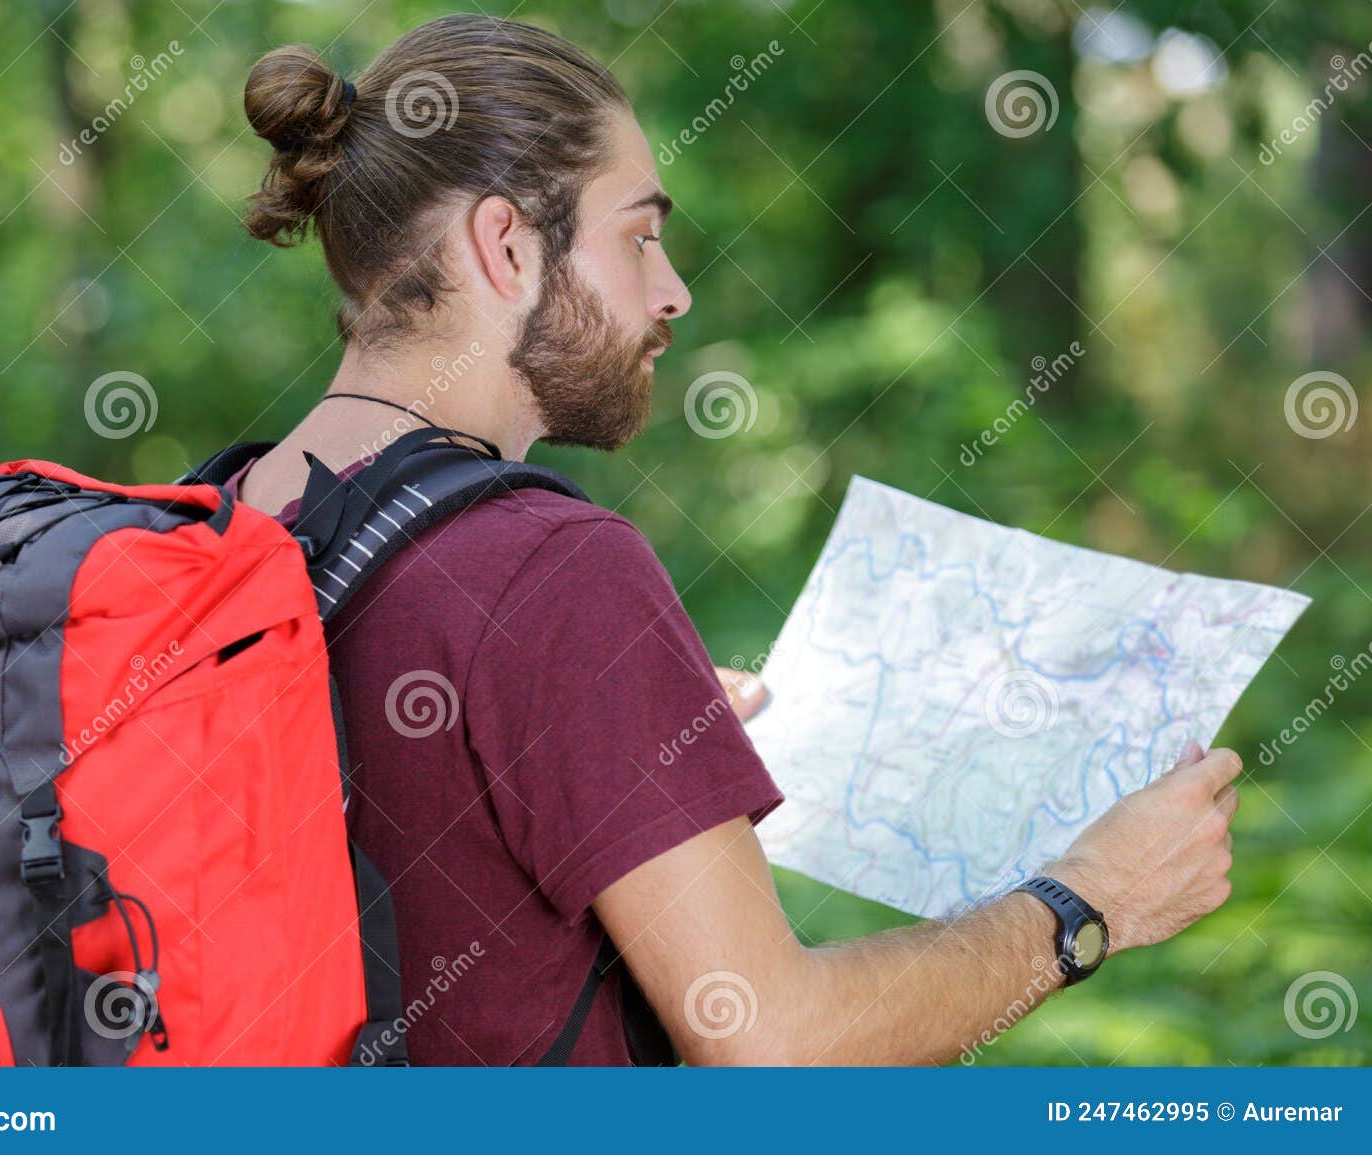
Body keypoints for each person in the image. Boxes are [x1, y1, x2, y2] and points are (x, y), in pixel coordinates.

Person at [221, 14, 1240, 1065]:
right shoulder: (551, 567)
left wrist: (623, 732)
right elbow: (775, 1043)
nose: (672, 290)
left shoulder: (213, 526)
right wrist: (1087, 900)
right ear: (507, 245)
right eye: (637, 234)